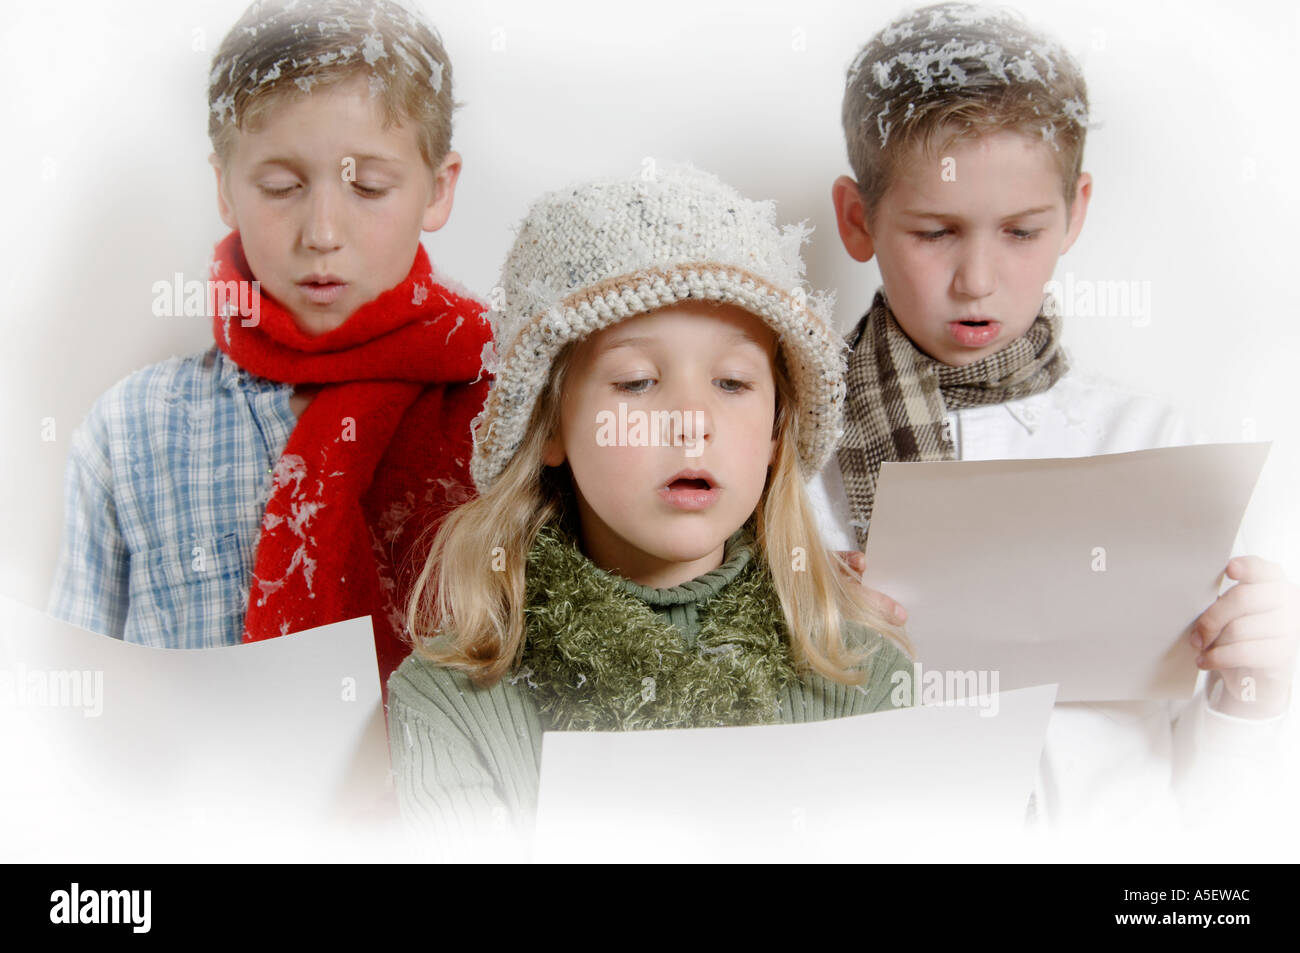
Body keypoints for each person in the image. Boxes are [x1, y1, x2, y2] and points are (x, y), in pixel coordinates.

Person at [813, 2, 1297, 827]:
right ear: (859, 221)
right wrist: (811, 641)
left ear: (1075, 211)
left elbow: (1225, 824)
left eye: (1021, 230)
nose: (977, 279)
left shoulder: (1157, 450)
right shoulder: (793, 461)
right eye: (935, 232)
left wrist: (1253, 693)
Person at [387, 164, 912, 856]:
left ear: (778, 430)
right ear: (549, 426)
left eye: (732, 382)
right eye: (636, 382)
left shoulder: (864, 669)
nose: (693, 423)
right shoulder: (448, 702)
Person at [46, 0, 490, 689]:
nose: (321, 231)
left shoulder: (512, 409)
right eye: (280, 186)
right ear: (224, 187)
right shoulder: (129, 432)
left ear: (438, 189)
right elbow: (70, 699)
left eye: (367, 187)